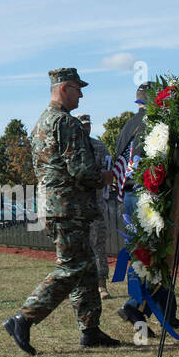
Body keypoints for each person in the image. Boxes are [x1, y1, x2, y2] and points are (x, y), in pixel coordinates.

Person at [3, 68, 120, 355]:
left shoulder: (41, 123)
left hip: (55, 205)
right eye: (78, 88)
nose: (81, 93)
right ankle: (24, 318)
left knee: (87, 269)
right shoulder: (66, 123)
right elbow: (80, 169)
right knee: (73, 266)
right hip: (69, 206)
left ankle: (90, 329)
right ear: (65, 88)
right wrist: (104, 177)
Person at [113, 82, 179, 330]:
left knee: (142, 254)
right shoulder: (154, 124)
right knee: (154, 254)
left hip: (130, 196)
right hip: (147, 196)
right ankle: (134, 305)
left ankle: (167, 312)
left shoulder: (127, 126)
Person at [78, 114, 112, 299]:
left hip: (97, 204)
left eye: (88, 125)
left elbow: (108, 171)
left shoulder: (100, 147)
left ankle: (101, 284)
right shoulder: (72, 148)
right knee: (78, 247)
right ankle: (81, 286)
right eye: (82, 125)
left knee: (98, 244)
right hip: (77, 206)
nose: (86, 128)